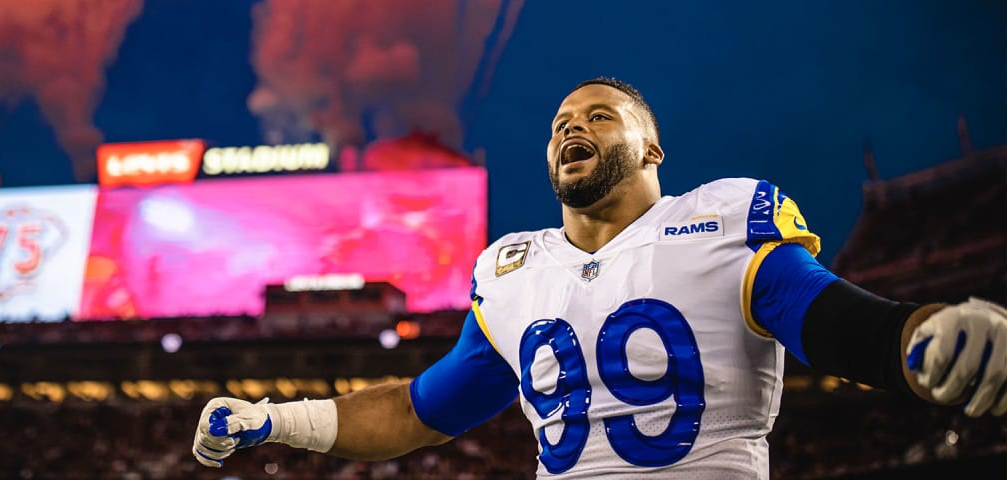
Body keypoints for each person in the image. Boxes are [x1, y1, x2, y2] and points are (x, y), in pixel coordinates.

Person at [191, 78, 1007, 477]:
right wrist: (275, 421)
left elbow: (830, 320)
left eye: (599, 116)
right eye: (559, 126)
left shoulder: (722, 219)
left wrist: (921, 333)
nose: (571, 128)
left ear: (652, 149)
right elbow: (416, 410)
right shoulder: (511, 271)